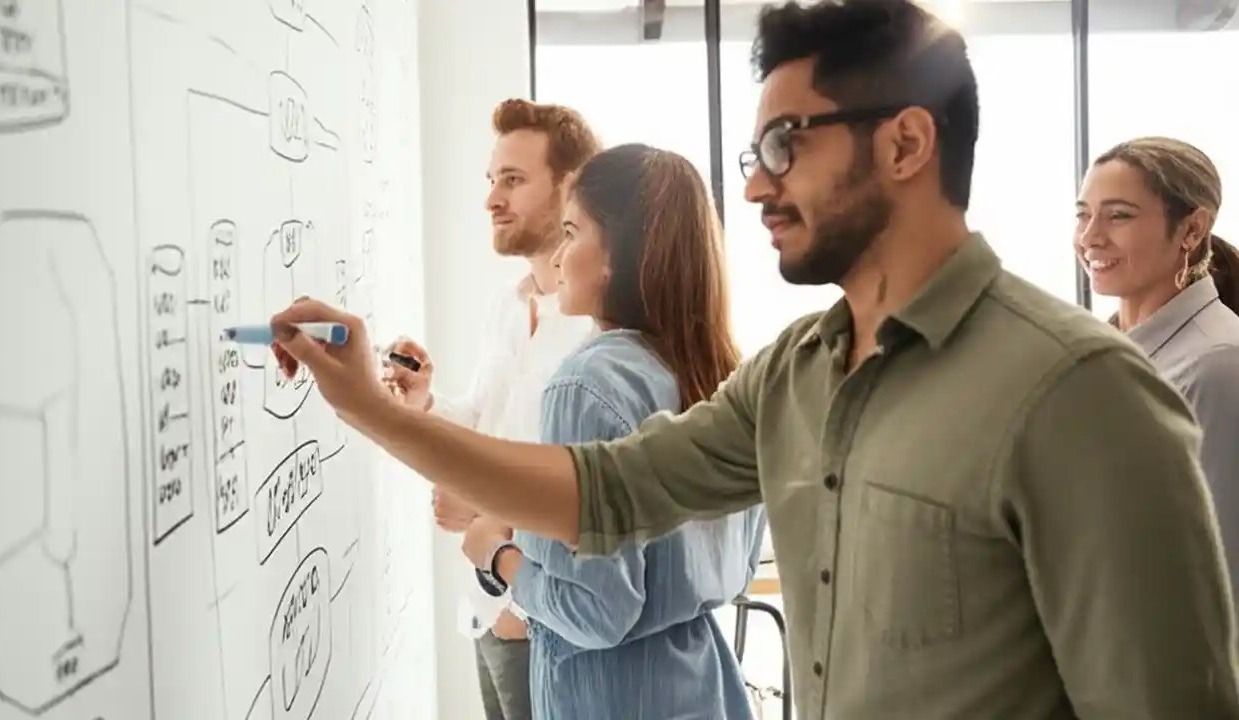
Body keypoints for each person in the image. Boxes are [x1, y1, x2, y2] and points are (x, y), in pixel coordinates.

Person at [270, 1, 1239, 717]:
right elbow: (601, 490)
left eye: (784, 144)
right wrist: (373, 408)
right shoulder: (795, 373)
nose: (757, 189)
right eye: (752, 156)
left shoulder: (1085, 394)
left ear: (905, 143)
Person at [449, 143, 766, 719]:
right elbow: (737, 566)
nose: (559, 257)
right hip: (706, 689)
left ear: (618, 256)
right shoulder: (724, 372)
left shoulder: (585, 384)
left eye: (572, 234)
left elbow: (597, 611)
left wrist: (497, 555)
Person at [386, 98, 600, 720]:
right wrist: (426, 403)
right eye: (491, 179)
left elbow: (597, 486)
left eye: (512, 180)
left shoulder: (600, 328)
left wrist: (486, 510)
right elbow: (483, 425)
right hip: (488, 615)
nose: (491, 200)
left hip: (554, 633)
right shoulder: (508, 306)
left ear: (568, 188)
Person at [1076, 135, 1239, 601]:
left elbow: (1218, 574)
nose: (1090, 237)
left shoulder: (1217, 365)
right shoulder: (1098, 354)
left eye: (1119, 215)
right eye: (1083, 214)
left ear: (1192, 230)